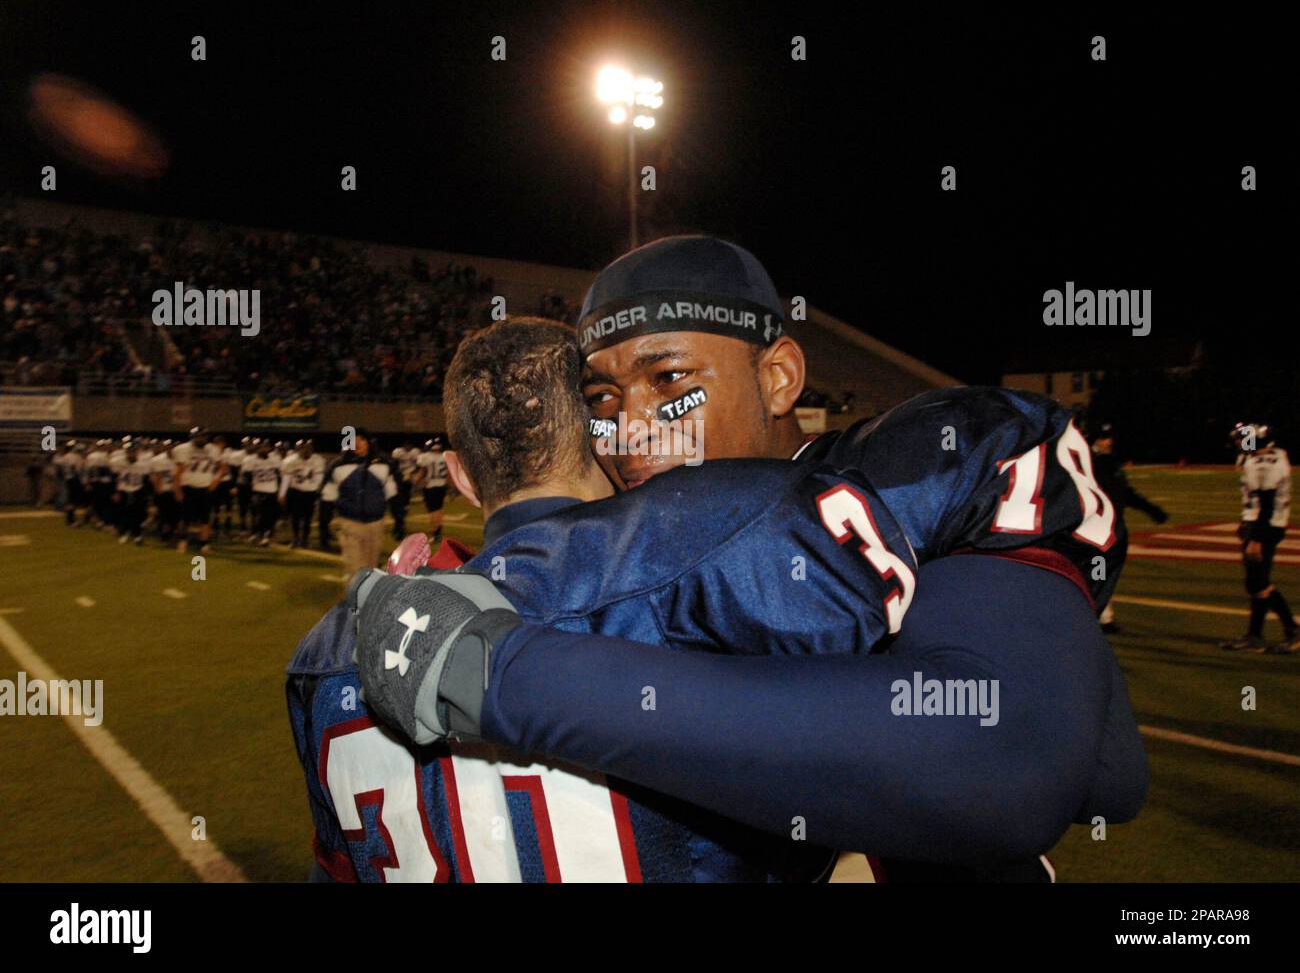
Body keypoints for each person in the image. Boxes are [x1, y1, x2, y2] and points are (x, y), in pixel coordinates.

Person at [349, 237, 1143, 874]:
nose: (631, 427)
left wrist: (499, 673)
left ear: (778, 377)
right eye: (601, 398)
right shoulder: (625, 533)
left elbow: (1017, 763)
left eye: (670, 378)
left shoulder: (915, 471)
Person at [1221, 422, 1297, 654]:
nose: (1238, 444)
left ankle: (1291, 629)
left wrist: (1255, 538)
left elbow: (1266, 506)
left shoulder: (1260, 465)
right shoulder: (1278, 455)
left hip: (1265, 527)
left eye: (1241, 439)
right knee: (1256, 582)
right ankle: (1255, 634)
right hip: (1266, 524)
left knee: (1258, 582)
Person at [1089, 422, 1167, 633]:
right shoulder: (1089, 462)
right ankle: (1098, 617)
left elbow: (1124, 493)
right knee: (1098, 572)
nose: (1109, 441)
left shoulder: (1109, 461)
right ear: (1096, 440)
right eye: (1104, 438)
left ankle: (1102, 616)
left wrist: (1150, 509)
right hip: (1095, 527)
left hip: (1111, 525)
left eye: (1109, 437)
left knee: (1102, 572)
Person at [321, 428, 396, 579]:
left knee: (371, 568)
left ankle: (366, 600)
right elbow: (327, 498)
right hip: (350, 523)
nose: (358, 443)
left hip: (376, 523)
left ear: (368, 442)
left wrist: (399, 520)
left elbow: (392, 494)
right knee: (355, 570)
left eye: (361, 439)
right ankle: (354, 600)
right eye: (353, 440)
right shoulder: (337, 467)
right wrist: (325, 525)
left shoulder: (383, 464)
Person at [172, 426, 224, 553]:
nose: (200, 439)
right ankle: (183, 541)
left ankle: (204, 544)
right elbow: (177, 472)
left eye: (203, 436)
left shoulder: (213, 449)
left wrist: (215, 482)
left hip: (204, 487)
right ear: (192, 437)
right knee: (185, 518)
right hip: (188, 487)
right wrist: (177, 490)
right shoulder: (183, 449)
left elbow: (222, 468)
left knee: (205, 518)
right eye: (198, 436)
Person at [280, 439, 325, 548]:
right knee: (295, 517)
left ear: (312, 449)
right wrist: (282, 493)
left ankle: (305, 539)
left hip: (310, 492)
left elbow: (319, 479)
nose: (305, 451)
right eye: (302, 448)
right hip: (295, 491)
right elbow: (286, 478)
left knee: (307, 518)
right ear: (297, 450)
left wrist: (317, 492)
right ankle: (295, 538)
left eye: (308, 448)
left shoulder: (318, 460)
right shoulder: (290, 461)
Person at [243, 439, 282, 546]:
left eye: (265, 447)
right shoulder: (250, 460)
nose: (263, 449)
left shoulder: (275, 459)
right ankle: (256, 533)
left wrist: (280, 492)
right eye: (260, 447)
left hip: (272, 491)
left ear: (269, 448)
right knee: (257, 515)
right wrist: (249, 493)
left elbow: (279, 476)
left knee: (269, 515)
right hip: (257, 491)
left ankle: (266, 536)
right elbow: (247, 478)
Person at [415, 434, 451, 541]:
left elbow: (423, 472)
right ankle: (438, 531)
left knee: (432, 511)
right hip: (441, 486)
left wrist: (416, 482)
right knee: (439, 509)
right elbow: (448, 474)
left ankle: (435, 533)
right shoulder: (444, 456)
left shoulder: (425, 457)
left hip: (430, 486)